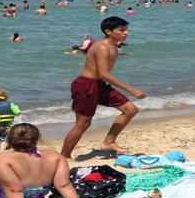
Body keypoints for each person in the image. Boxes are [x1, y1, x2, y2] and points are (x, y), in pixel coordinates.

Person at [60, 16, 145, 157]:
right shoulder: (102, 47)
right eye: (121, 30)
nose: (126, 33)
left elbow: (102, 76)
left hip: (99, 85)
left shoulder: (114, 48)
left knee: (130, 109)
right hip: (85, 85)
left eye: (126, 30)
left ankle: (109, 142)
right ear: (108, 31)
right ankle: (64, 156)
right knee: (83, 123)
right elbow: (104, 74)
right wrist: (131, 89)